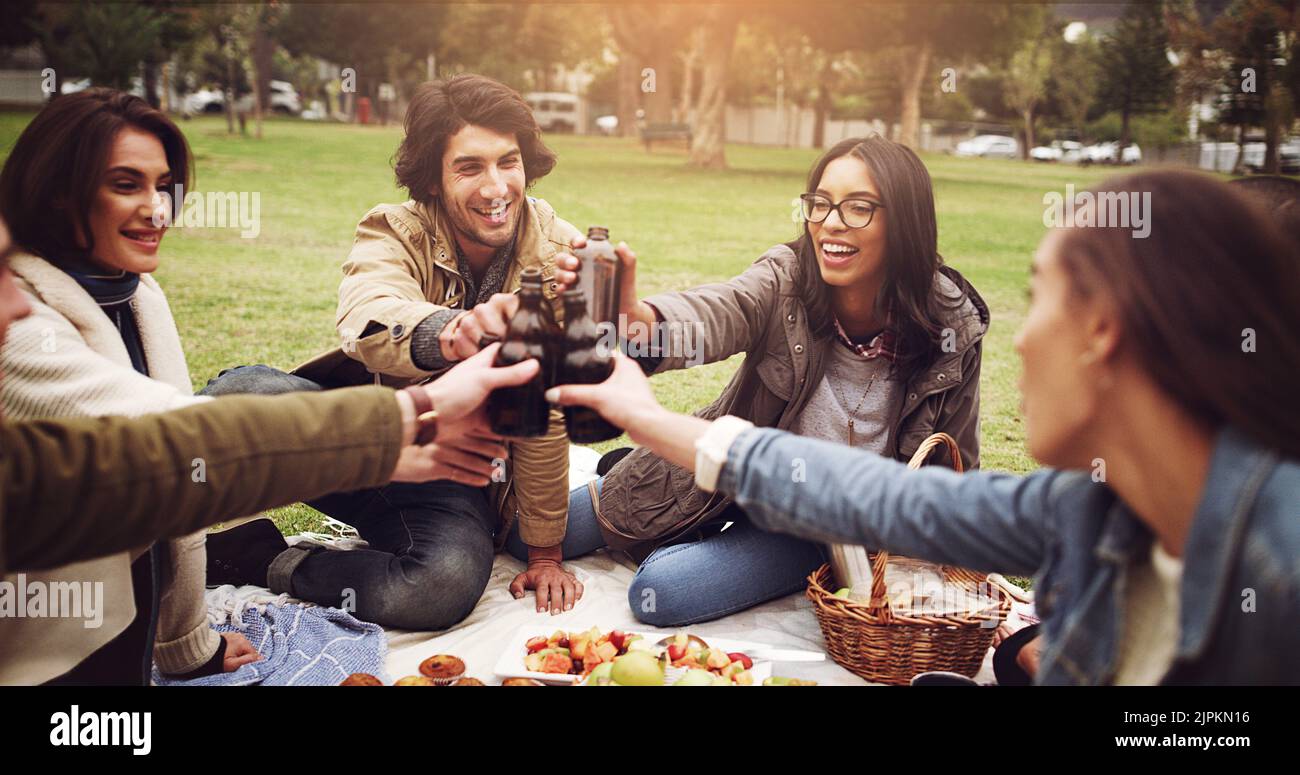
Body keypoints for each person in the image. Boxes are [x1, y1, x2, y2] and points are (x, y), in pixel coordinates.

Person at [549, 169, 1300, 684]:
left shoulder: (1280, 567)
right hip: (759, 488)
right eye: (822, 201)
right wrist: (642, 398)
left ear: (1105, 332)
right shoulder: (1086, 511)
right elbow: (883, 496)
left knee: (662, 592)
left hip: (808, 529)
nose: (1023, 339)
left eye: (1041, 296)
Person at [544, 135, 988, 626]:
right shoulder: (787, 277)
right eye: (820, 204)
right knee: (532, 536)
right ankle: (644, 483)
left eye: (859, 208)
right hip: (727, 475)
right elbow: (719, 310)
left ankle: (718, 540)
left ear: (904, 221)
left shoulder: (951, 324)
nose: (830, 223)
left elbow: (954, 462)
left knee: (660, 590)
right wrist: (639, 317)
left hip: (820, 525)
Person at [198, 74, 583, 626]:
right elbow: (368, 313)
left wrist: (545, 553)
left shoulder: (561, 253)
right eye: (469, 167)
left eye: (509, 161)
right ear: (431, 178)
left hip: (455, 479)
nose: (497, 188)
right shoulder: (394, 229)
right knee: (236, 397)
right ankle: (150, 554)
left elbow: (546, 405)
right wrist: (453, 332)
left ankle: (264, 558)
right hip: (360, 437)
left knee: (440, 584)